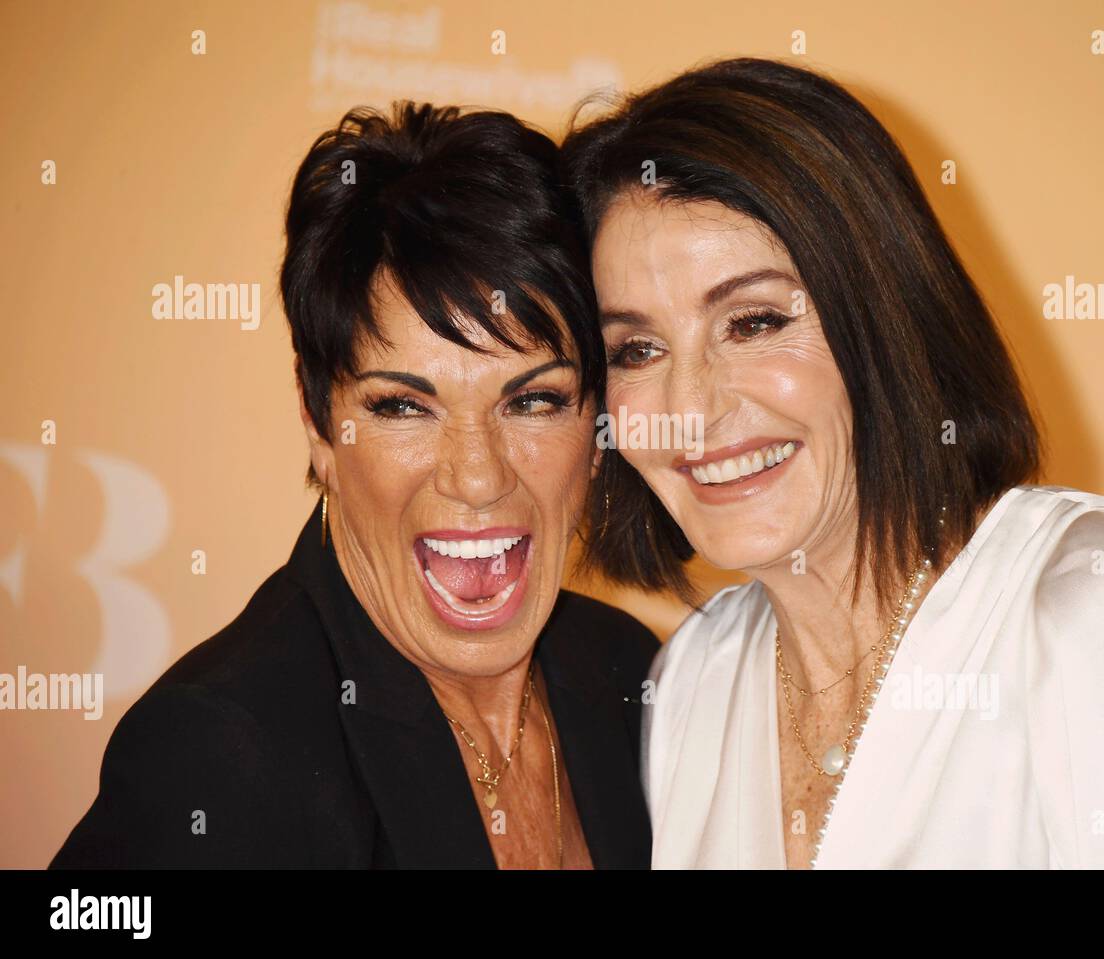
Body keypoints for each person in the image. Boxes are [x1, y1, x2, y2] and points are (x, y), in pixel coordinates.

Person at [561, 58, 1104, 868]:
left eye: (754, 322)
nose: (691, 408)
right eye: (636, 349)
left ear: (885, 316)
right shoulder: (695, 680)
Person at [51, 102, 658, 869]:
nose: (476, 476)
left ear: (596, 426)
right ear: (318, 423)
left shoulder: (632, 677)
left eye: (532, 400)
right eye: (403, 405)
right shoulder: (216, 754)